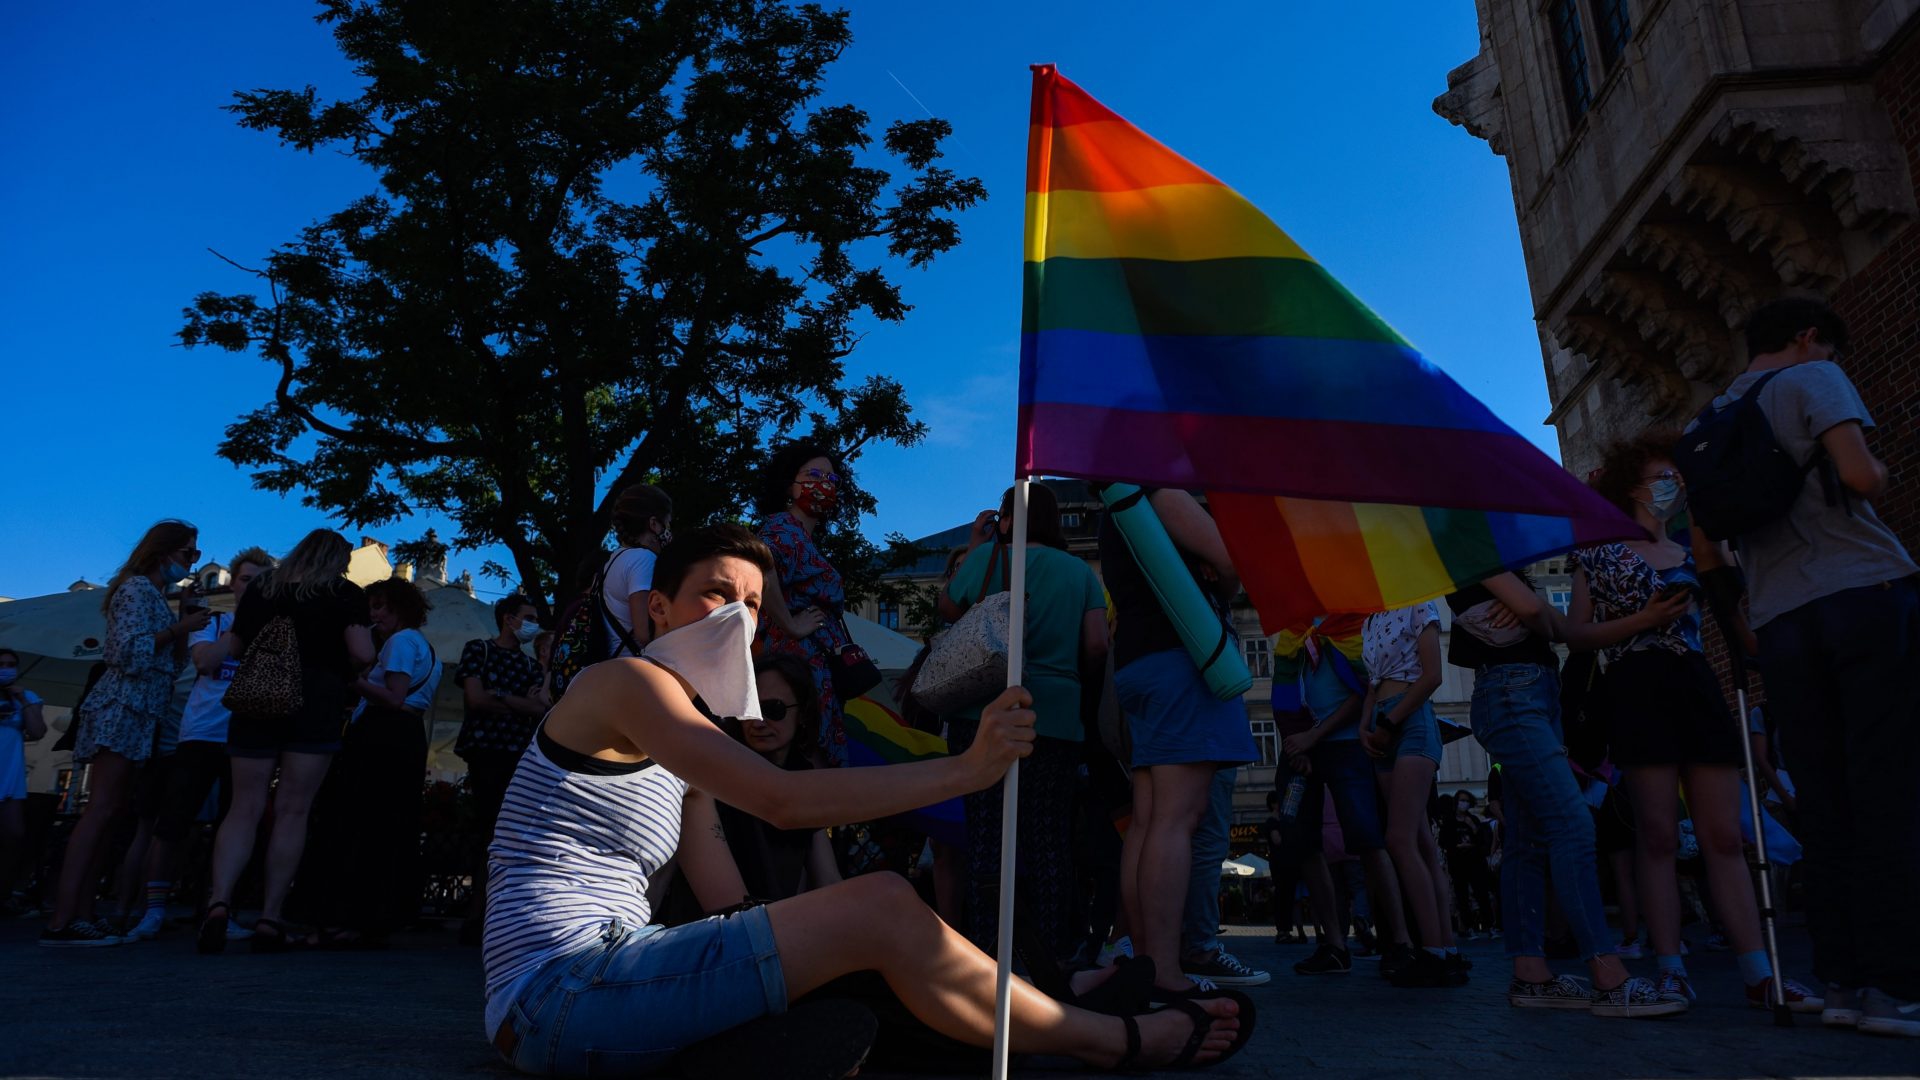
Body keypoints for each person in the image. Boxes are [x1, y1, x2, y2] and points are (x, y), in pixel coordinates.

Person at [483, 524, 1252, 1075]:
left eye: (751, 605)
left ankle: (1053, 996)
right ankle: (1112, 1040)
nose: (733, 616)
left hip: (596, 995)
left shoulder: (686, 744)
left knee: (872, 964)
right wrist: (965, 770)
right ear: (656, 610)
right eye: (714, 593)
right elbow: (781, 801)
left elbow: (728, 898)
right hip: (561, 993)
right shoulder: (626, 681)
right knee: (882, 902)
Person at [1690, 298, 1919, 1037]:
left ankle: (1845, 983)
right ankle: (1896, 985)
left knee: (1821, 801)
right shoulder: (1810, 381)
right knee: (1885, 787)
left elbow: (1704, 553)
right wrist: (1877, 466)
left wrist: (1746, 626)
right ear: (1807, 337)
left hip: (1780, 619)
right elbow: (1858, 476)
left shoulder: (1705, 425)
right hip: (1861, 591)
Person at [1569, 431, 1820, 1012]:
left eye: (1679, 478)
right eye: (1664, 476)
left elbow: (1736, 614)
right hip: (1637, 686)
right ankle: (1670, 966)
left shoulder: (1692, 549)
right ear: (1632, 485)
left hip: (1696, 686)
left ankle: (1759, 971)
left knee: (1724, 836)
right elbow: (1573, 633)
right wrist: (1640, 621)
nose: (1674, 485)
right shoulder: (1599, 553)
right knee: (1657, 836)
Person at [1445, 570, 1685, 1015]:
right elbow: (1541, 615)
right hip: (1512, 691)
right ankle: (1609, 975)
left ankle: (1531, 974)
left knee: (1526, 841)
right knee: (1571, 823)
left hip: (1530, 688)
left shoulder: (1491, 539)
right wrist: (1536, 612)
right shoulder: (1468, 526)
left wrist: (1536, 614)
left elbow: (1553, 624)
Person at [1098, 488, 1260, 997]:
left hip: (1139, 664)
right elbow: (1233, 564)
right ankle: (1166, 970)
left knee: (1148, 821)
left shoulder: (1114, 504)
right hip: (1183, 658)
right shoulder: (1161, 493)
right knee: (1175, 820)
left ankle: (1146, 958)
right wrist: (1220, 574)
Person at [938, 484, 1109, 965]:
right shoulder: (1079, 572)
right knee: (1048, 835)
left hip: (981, 711)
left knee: (987, 834)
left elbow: (949, 609)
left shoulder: (988, 558)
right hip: (1054, 714)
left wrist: (977, 546)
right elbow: (1096, 645)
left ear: (1007, 519)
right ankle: (1049, 955)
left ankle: (990, 951)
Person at [199, 528, 374, 954]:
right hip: (316, 699)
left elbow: (236, 643)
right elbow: (364, 653)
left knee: (244, 806)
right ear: (337, 559)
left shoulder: (263, 587)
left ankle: (219, 901)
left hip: (258, 695)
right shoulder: (343, 592)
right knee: (293, 811)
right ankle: (270, 916)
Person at [42, 520, 206, 947]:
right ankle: (63, 919)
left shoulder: (154, 596)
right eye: (189, 553)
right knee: (101, 811)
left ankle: (81, 912)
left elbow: (169, 667)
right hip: (122, 708)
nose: (191, 562)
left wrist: (181, 621)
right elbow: (127, 653)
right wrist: (178, 629)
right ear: (163, 552)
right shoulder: (135, 589)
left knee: (112, 815)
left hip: (141, 712)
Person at [125, 548, 274, 941]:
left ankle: (220, 907)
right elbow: (206, 662)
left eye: (261, 581)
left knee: (236, 825)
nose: (253, 587)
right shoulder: (215, 621)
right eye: (246, 580)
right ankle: (153, 909)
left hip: (248, 739)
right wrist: (240, 631)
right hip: (202, 734)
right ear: (233, 583)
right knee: (173, 823)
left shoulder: (275, 631)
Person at [1275, 615, 1414, 979]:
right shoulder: (1292, 635)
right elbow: (1284, 693)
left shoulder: (1351, 628)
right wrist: (1298, 746)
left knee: (1367, 839)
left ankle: (1399, 942)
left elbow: (1363, 691)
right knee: (1302, 842)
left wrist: (1313, 737)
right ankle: (1333, 945)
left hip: (1346, 745)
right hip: (1302, 749)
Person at [306, 575, 442, 945]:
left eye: (380, 607)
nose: (374, 615)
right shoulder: (424, 647)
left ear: (398, 608)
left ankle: (349, 916)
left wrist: (351, 679)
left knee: (360, 822)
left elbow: (394, 697)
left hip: (383, 735)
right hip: (406, 739)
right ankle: (378, 915)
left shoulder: (399, 642)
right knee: (390, 825)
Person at [1358, 601, 1461, 988]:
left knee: (1399, 840)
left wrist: (1387, 721)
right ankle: (1446, 949)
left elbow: (1432, 676)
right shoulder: (1371, 618)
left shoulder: (1420, 604)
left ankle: (1433, 951)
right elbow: (1373, 683)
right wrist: (1364, 727)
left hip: (1411, 721)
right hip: (1382, 728)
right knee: (1418, 841)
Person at [708, 654, 842, 903]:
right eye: (749, 709)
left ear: (801, 714)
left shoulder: (802, 776)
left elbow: (827, 877)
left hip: (780, 923)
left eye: (773, 710)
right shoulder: (720, 774)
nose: (758, 721)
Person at [453, 593, 548, 943]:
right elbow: (475, 699)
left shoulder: (527, 666)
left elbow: (537, 709)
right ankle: (476, 915)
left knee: (506, 833)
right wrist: (517, 704)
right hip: (486, 751)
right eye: (529, 615)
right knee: (488, 830)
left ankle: (491, 914)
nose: (534, 621)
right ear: (509, 618)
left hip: (517, 755)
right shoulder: (479, 649)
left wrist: (502, 698)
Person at [755, 441, 851, 765]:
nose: (824, 483)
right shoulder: (782, 529)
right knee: (807, 749)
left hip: (812, 663)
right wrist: (792, 625)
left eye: (831, 478)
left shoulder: (801, 536)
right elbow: (762, 568)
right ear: (789, 484)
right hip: (798, 664)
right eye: (813, 474)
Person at [0, 648, 48, 913]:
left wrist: (21, 698)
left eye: (11, 664)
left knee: (14, 836)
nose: (6, 668)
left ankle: (4, 892)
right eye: (1, 664)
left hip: (10, 775)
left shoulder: (26, 696)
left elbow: (38, 730)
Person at [601, 484, 673, 657]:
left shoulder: (613, 559)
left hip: (613, 666)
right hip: (634, 668)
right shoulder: (643, 559)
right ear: (654, 524)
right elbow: (644, 633)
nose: (669, 531)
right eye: (668, 523)